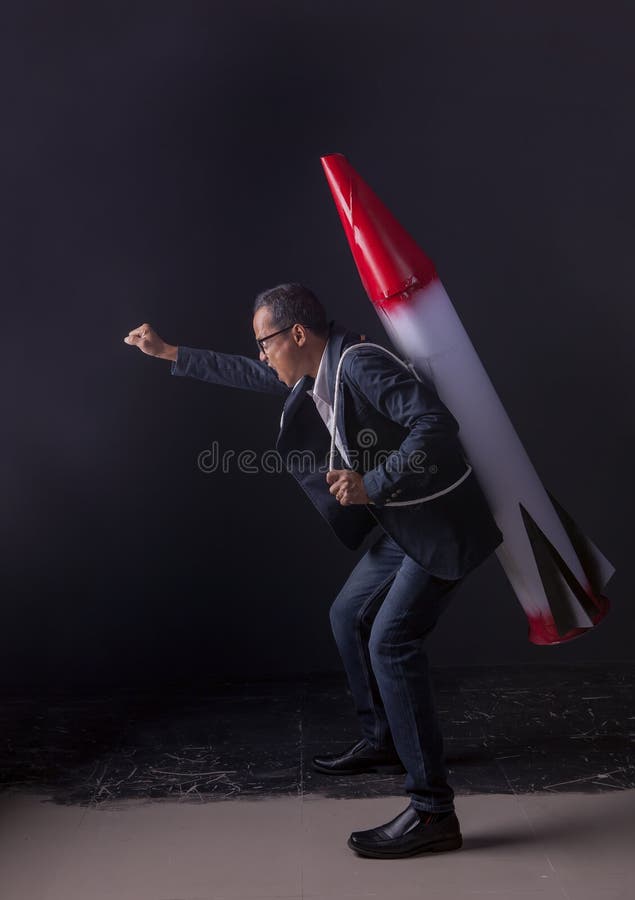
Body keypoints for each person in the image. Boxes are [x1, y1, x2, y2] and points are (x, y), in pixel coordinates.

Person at [124, 282, 502, 859]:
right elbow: (250, 374)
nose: (261, 355)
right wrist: (171, 353)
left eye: (265, 342)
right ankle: (383, 740)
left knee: (390, 642)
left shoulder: (362, 364)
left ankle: (433, 812)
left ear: (298, 334)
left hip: (440, 524)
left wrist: (371, 483)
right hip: (405, 524)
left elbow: (435, 427)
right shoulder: (311, 371)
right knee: (347, 614)